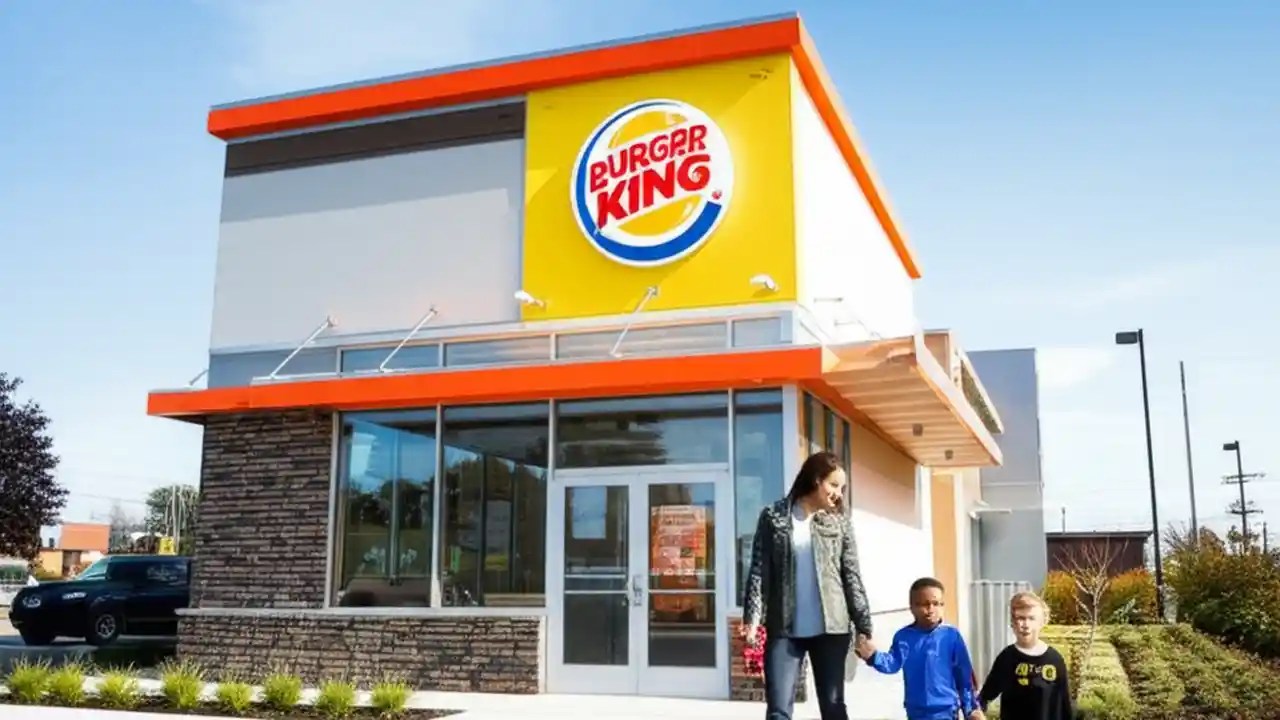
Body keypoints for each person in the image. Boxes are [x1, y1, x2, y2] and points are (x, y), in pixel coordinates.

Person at [743, 451, 873, 720]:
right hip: (784, 628)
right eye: (834, 485)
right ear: (816, 480)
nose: (839, 493)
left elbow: (851, 575)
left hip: (832, 628)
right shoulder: (773, 517)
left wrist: (864, 626)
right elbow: (758, 571)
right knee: (778, 710)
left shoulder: (839, 522)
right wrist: (753, 619)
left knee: (833, 707)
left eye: (842, 487)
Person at [855, 577, 982, 720]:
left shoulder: (951, 636)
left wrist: (970, 710)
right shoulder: (904, 637)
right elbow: (892, 664)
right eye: (925, 604)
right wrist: (873, 656)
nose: (931, 609)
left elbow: (964, 676)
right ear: (912, 606)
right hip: (916, 712)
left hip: (946, 711)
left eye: (937, 604)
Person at [977, 591, 1073, 720]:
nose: (1026, 625)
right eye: (1020, 618)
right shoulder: (1007, 658)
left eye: (1031, 618)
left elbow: (1065, 706)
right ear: (1013, 623)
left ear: (1042, 622)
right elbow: (985, 696)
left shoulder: (1055, 660)